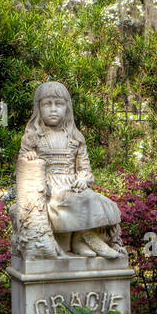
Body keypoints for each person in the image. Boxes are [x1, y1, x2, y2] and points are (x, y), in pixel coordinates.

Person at [17, 81, 122, 259]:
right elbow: (21, 168)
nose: (53, 109)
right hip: (48, 187)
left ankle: (82, 239)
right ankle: (82, 239)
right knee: (64, 201)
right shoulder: (32, 137)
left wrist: (83, 178)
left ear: (67, 107)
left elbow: (85, 169)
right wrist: (28, 158)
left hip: (73, 185)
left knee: (95, 199)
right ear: (38, 108)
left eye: (58, 104)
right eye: (47, 104)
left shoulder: (75, 137)